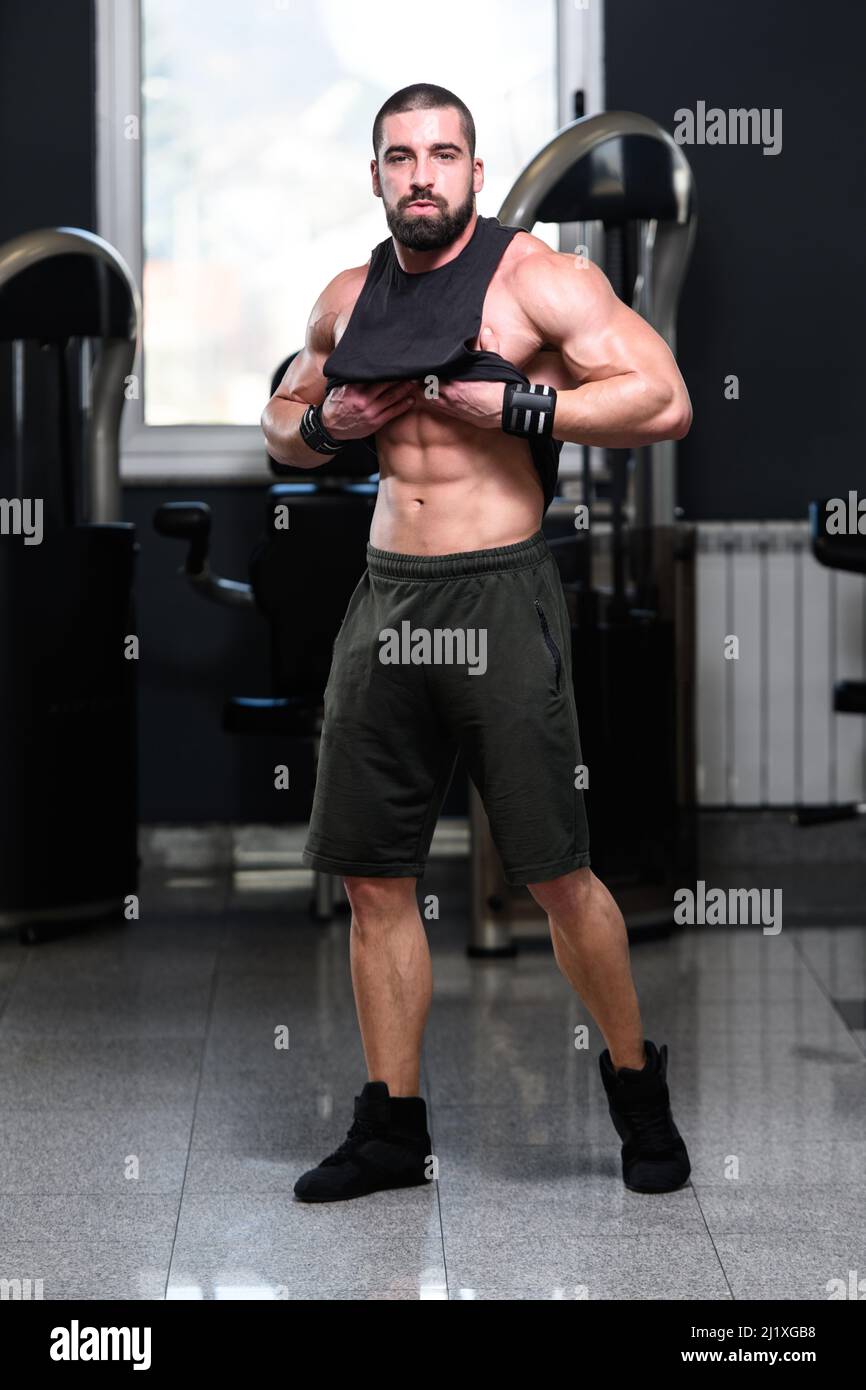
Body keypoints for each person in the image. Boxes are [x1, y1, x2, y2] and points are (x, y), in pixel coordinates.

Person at [260, 83, 693, 1204]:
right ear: (375, 176)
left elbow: (662, 398)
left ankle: (638, 1092)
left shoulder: (536, 279)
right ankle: (391, 1126)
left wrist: (523, 412)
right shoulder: (348, 298)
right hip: (385, 596)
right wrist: (323, 427)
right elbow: (277, 421)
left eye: (441, 153)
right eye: (399, 155)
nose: (420, 173)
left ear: (471, 170)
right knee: (370, 875)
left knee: (553, 872)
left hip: (498, 595)